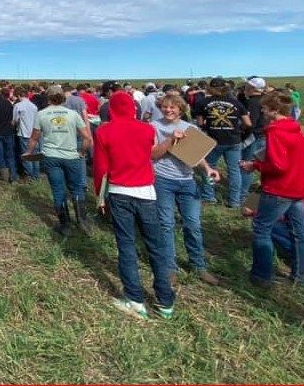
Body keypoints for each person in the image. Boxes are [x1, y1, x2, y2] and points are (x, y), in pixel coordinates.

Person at [93, 92, 175, 319]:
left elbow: (100, 168)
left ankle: (135, 300)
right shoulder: (147, 129)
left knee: (126, 245)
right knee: (155, 246)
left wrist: (100, 197)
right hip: (146, 192)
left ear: (111, 109)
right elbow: (149, 154)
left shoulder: (103, 131)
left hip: (119, 192)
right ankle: (165, 300)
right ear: (133, 108)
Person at [240, 91, 304, 289]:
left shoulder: (275, 131)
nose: (262, 112)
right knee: (299, 232)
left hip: (279, 189)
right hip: (297, 188)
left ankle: (261, 276)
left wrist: (255, 165)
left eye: (264, 108)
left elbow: (278, 165)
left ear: (273, 110)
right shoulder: (295, 128)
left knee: (262, 229)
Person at [150, 94, 220, 286]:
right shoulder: (154, 127)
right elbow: (153, 154)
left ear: (181, 109)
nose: (168, 110)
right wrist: (171, 140)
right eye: (165, 107)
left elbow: (197, 156)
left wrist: (208, 169)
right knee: (166, 224)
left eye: (172, 107)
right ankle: (169, 268)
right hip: (163, 180)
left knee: (193, 223)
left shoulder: (190, 128)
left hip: (187, 181)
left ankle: (198, 266)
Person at [28, 85, 92, 235]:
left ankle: (65, 225)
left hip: (51, 157)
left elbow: (34, 138)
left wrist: (28, 152)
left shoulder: (42, 114)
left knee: (58, 190)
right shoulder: (73, 114)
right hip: (71, 157)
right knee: (76, 188)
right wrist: (82, 153)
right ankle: (82, 221)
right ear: (63, 98)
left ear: (48, 98)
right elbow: (87, 138)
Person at [194, 76, 251, 208]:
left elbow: (200, 123)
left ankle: (209, 196)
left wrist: (209, 127)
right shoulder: (236, 102)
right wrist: (238, 129)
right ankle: (234, 200)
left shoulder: (203, 102)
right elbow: (248, 123)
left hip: (213, 140)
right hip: (234, 140)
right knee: (234, 170)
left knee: (209, 168)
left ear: (210, 88)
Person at [239, 77, 268, 206]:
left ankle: (242, 195)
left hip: (254, 136)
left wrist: (242, 135)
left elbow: (251, 123)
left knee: (247, 165)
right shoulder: (265, 99)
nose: (245, 88)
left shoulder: (253, 102)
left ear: (253, 88)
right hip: (263, 135)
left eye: (247, 86)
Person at [13, 86, 40, 180]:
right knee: (35, 155)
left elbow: (15, 120)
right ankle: (36, 175)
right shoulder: (34, 106)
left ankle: (29, 175)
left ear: (19, 95)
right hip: (34, 133)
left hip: (24, 133)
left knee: (26, 155)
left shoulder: (18, 106)